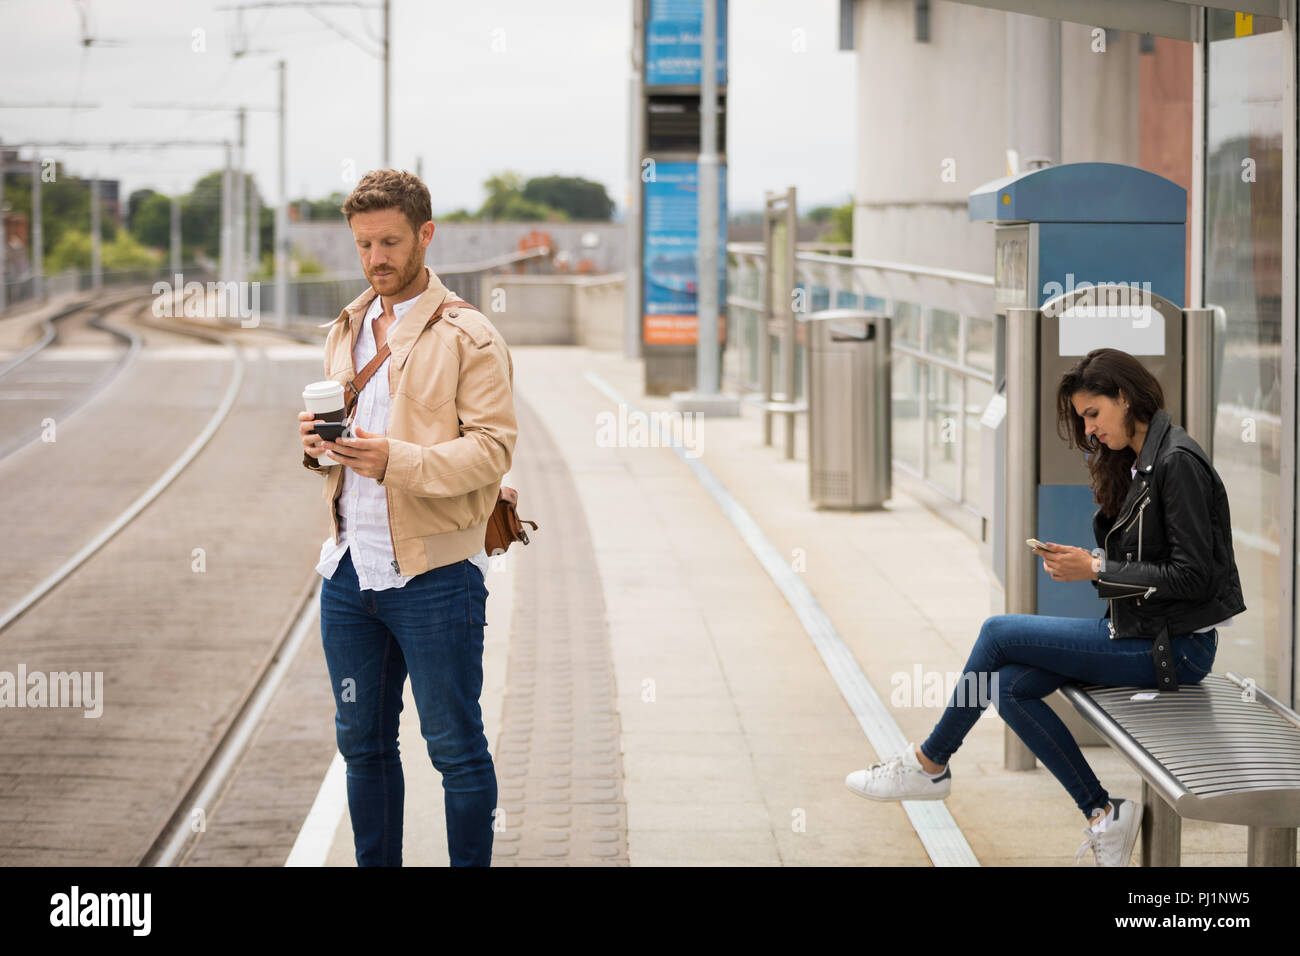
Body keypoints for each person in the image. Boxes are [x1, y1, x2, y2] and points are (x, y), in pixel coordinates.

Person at [844, 347, 1246, 866]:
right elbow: (1157, 563)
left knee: (997, 633)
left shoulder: (1177, 463)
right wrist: (1093, 560)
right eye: (1083, 420)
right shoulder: (1144, 460)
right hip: (1142, 634)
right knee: (1009, 686)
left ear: (1124, 397)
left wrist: (1096, 568)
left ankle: (929, 763)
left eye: (1094, 414)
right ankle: (1104, 813)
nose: (1090, 429)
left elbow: (1195, 576)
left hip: (1178, 650)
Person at [297, 169, 517, 866]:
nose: (375, 259)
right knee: (361, 745)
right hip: (348, 571)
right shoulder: (348, 326)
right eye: (363, 245)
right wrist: (316, 450)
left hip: (435, 577)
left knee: (454, 748)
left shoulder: (468, 335)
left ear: (426, 235)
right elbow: (342, 450)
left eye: (389, 242)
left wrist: (395, 460)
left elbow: (492, 450)